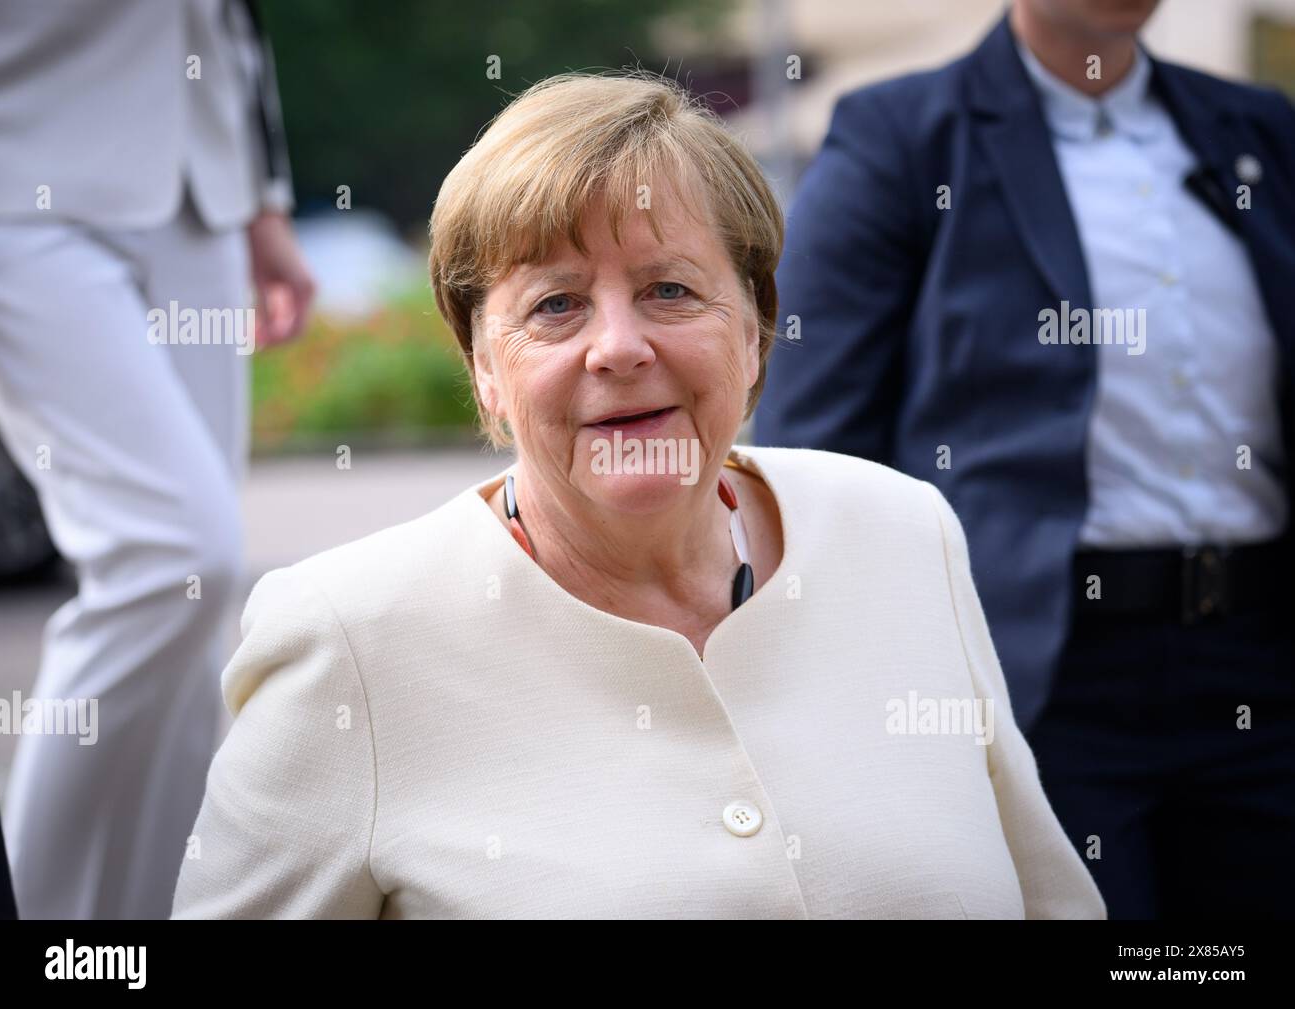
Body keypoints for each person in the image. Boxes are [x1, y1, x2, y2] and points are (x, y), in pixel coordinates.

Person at [170, 72, 1103, 919]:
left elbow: (1051, 903)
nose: (618, 347)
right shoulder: (350, 640)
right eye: (555, 305)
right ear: (485, 373)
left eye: (668, 289)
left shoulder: (903, 531)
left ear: (755, 330)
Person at [753, 0, 1295, 918]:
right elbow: (817, 445)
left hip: (1262, 653)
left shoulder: (1258, 128)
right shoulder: (905, 138)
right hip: (1040, 672)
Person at [0, 0, 314, 918]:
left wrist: (260, 199)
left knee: (189, 608)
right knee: (172, 553)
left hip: (197, 185)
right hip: (19, 177)